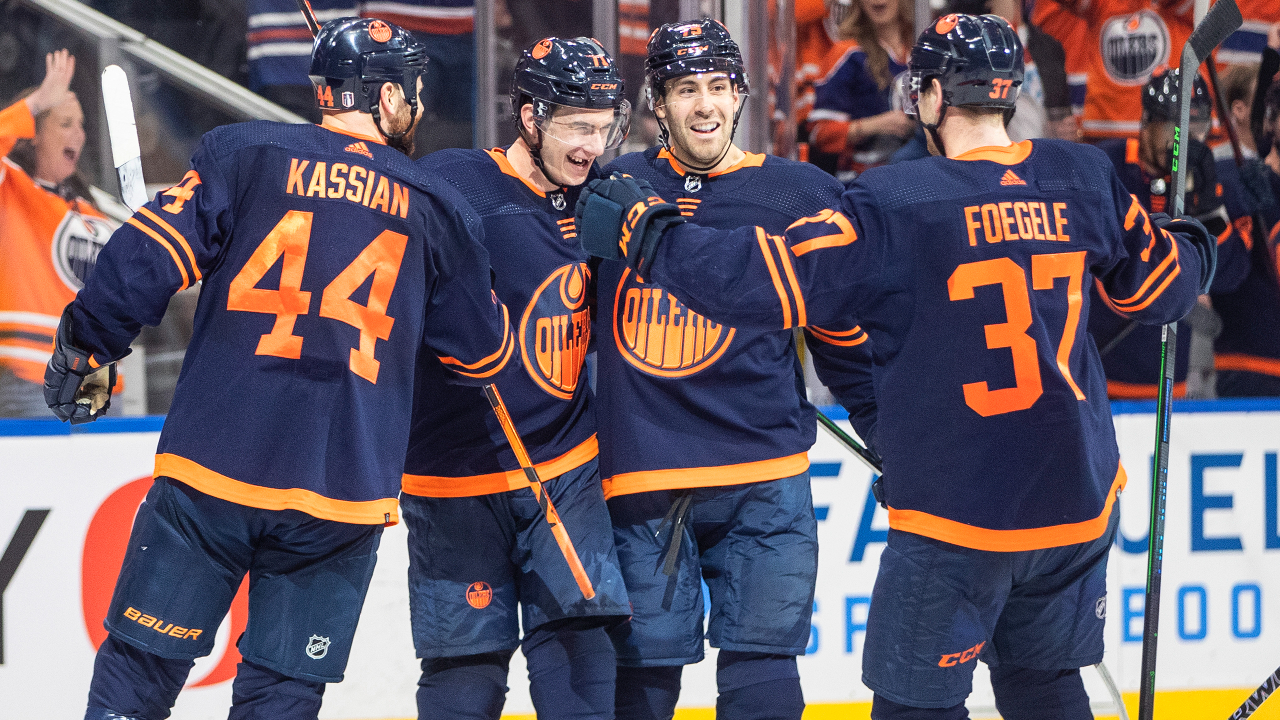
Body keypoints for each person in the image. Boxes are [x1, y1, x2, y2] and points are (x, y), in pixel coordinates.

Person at [575, 14, 1216, 719]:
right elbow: (1162, 292)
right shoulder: (1083, 175)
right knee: (1046, 688)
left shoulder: (895, 201)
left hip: (958, 512)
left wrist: (652, 235)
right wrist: (1195, 241)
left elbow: (765, 282)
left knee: (915, 707)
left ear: (931, 97)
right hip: (1077, 503)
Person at [47, 17, 515, 720]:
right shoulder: (437, 207)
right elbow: (482, 354)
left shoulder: (245, 152)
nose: (419, 106)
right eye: (413, 92)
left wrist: (86, 346)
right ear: (388, 98)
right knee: (283, 692)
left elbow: (144, 259)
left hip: (216, 463)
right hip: (341, 490)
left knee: (142, 667)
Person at [593, 19, 860, 720]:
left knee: (764, 669)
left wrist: (896, 439)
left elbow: (842, 340)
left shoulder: (800, 193)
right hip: (645, 480)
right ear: (657, 103)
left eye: (718, 86)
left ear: (742, 94)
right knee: (642, 675)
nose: (705, 105)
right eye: (685, 89)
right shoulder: (612, 185)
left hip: (763, 478)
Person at [399, 37, 632, 720]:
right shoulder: (453, 183)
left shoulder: (604, 201)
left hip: (565, 468)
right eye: (578, 127)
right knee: (465, 675)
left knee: (584, 649)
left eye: (604, 127)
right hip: (452, 475)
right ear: (530, 117)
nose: (593, 146)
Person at [1089, 69, 1250, 398]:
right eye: (1173, 128)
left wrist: (1206, 208)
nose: (1184, 142)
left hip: (1168, 386)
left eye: (1196, 129)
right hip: (1097, 377)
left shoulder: (1207, 180)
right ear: (1146, 121)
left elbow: (1229, 276)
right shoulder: (1103, 167)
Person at [0, 49, 114, 418]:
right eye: (65, 123)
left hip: (96, 381)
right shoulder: (10, 189)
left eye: (81, 125)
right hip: (31, 375)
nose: (78, 134)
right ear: (33, 134)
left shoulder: (91, 210)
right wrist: (35, 103)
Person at [807, 0, 916, 175]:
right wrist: (872, 125)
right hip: (861, 178)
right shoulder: (847, 54)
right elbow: (819, 134)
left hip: (915, 174)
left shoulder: (923, 50)